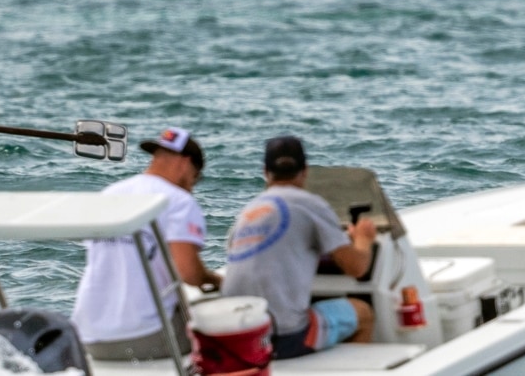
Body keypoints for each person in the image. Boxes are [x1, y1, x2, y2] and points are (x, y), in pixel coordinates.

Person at [71, 127, 222, 361]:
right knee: (217, 332)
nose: (193, 186)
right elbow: (189, 274)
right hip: (143, 336)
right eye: (196, 177)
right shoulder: (180, 201)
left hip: (88, 335)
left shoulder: (110, 193)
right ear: (186, 164)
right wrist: (215, 280)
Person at [221, 135, 377, 360]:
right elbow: (357, 268)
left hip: (238, 337)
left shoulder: (248, 212)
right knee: (363, 313)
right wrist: (363, 238)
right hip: (284, 338)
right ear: (305, 171)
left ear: (265, 172)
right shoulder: (311, 204)